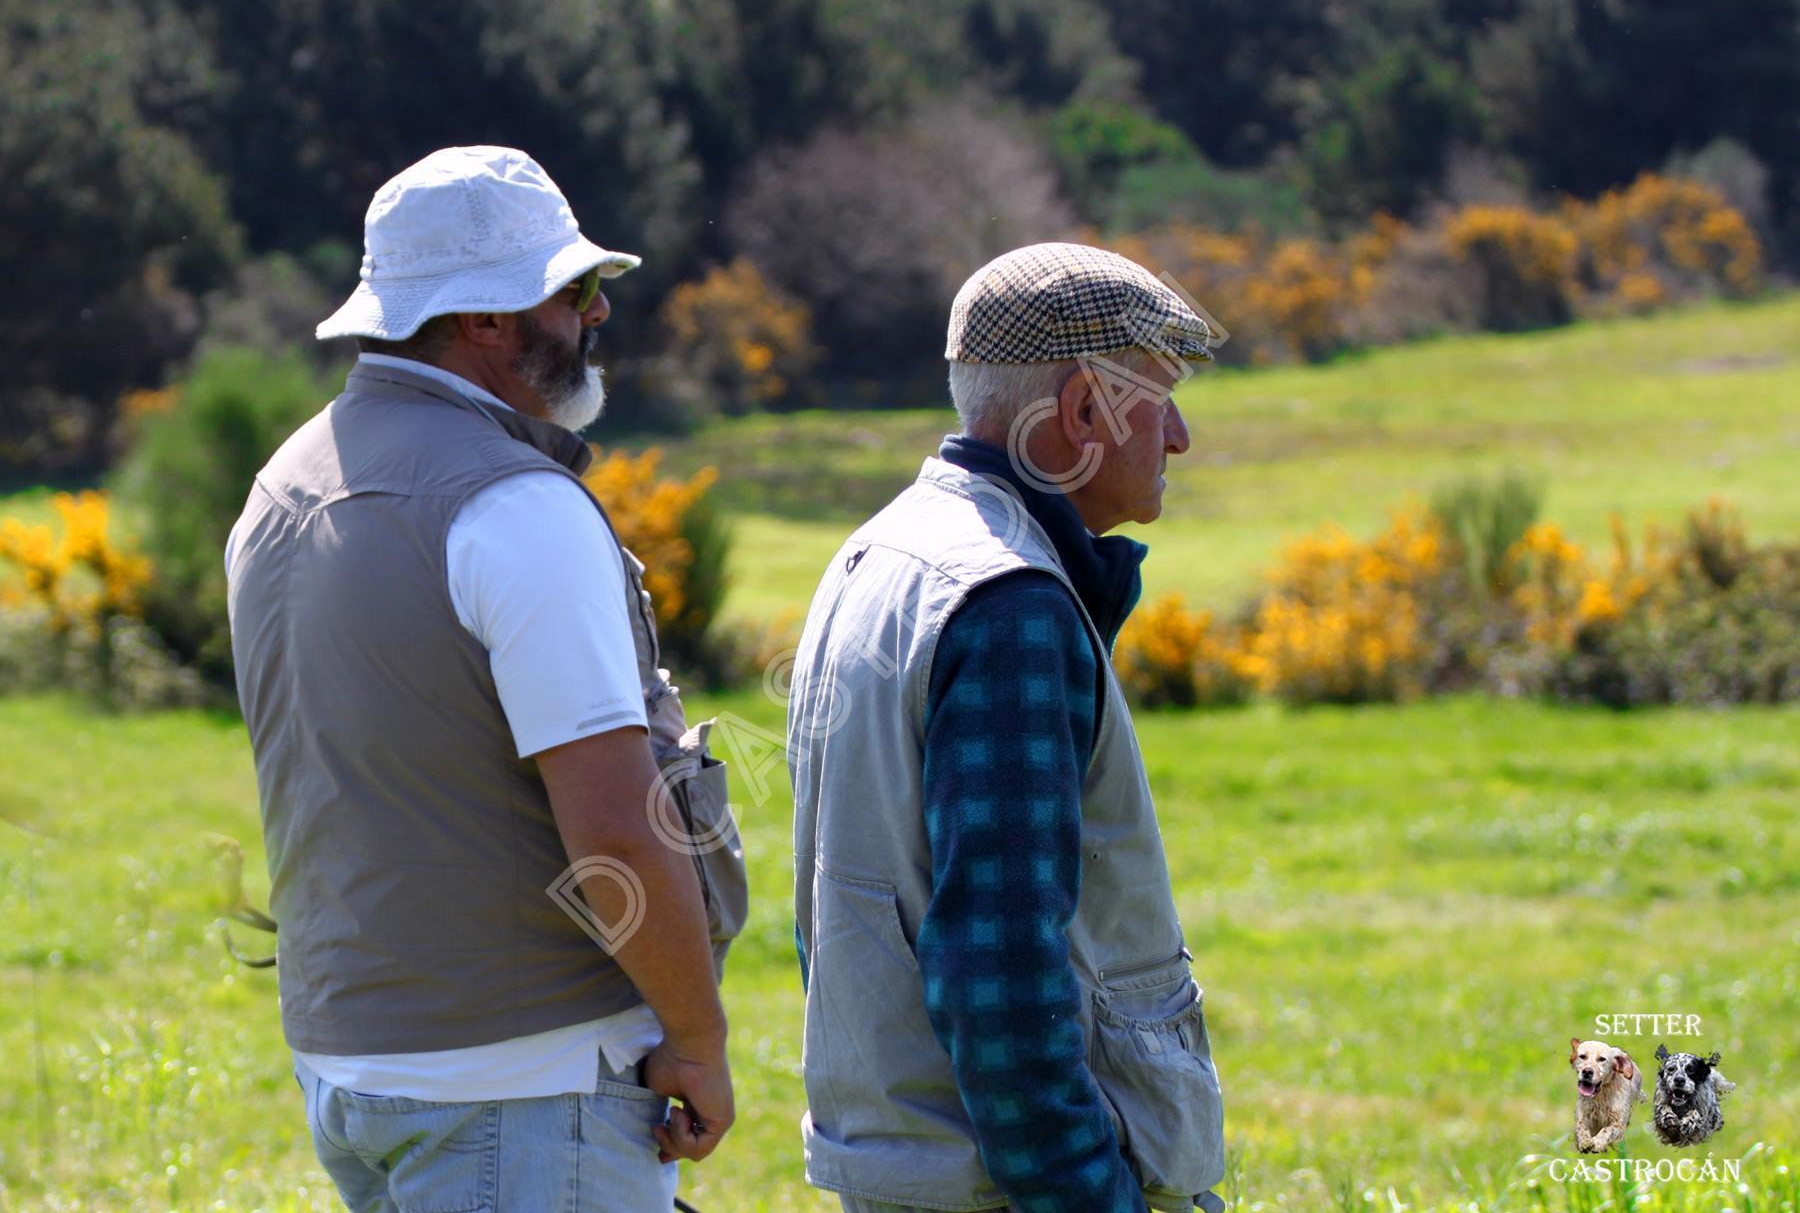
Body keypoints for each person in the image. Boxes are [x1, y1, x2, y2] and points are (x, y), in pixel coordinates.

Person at [225, 145, 743, 1211]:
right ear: (490, 320)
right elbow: (616, 831)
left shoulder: (281, 485)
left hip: (351, 1061)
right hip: (526, 1082)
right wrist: (696, 1037)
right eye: (577, 289)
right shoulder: (516, 507)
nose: (597, 315)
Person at [788, 242, 1227, 1213]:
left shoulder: (879, 555)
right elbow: (1003, 983)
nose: (1183, 435)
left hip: (910, 1168)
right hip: (1007, 1189)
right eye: (1162, 394)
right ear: (1083, 413)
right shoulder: (1010, 606)